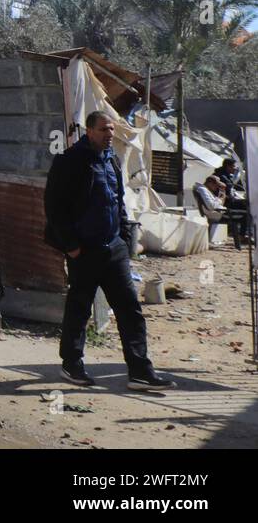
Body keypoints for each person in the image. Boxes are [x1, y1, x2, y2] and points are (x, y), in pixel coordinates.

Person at [44, 110, 174, 390]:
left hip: (113, 250)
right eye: (104, 129)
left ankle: (140, 371)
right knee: (79, 310)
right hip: (85, 251)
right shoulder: (70, 162)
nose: (110, 134)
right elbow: (55, 208)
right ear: (89, 131)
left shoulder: (111, 161)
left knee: (130, 310)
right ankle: (72, 365)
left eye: (112, 129)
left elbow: (118, 200)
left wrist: (125, 240)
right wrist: (72, 247)